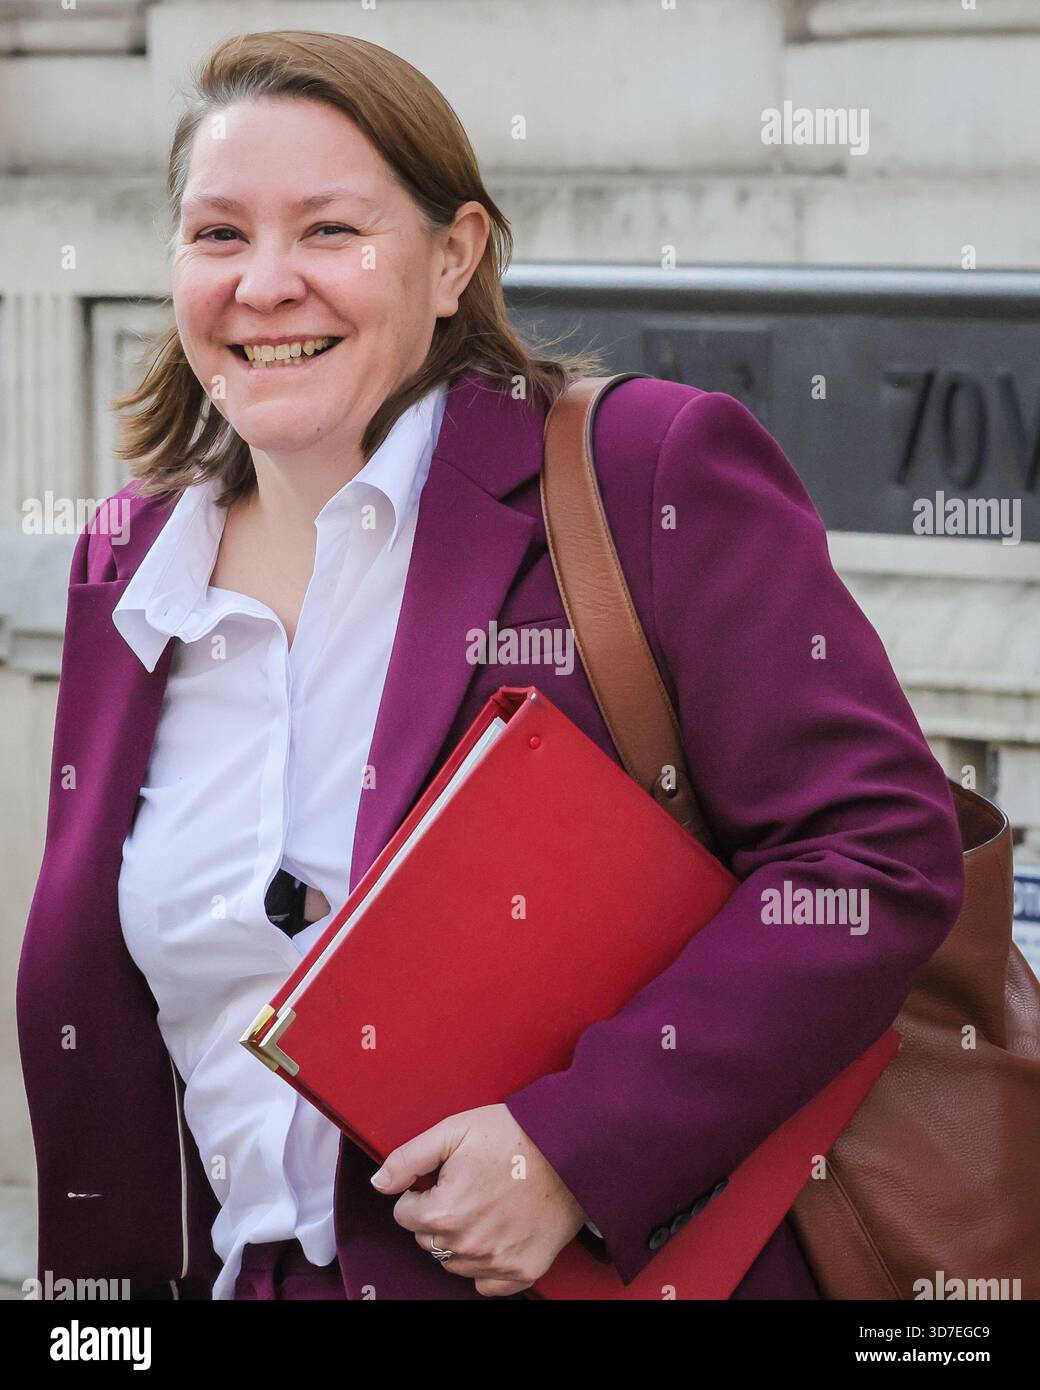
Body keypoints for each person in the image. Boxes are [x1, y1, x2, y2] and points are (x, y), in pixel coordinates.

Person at [16, 29, 965, 1302]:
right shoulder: (129, 566)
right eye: (220, 235)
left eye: (332, 231)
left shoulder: (650, 472)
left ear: (453, 256)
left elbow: (870, 857)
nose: (266, 283)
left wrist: (572, 1150)